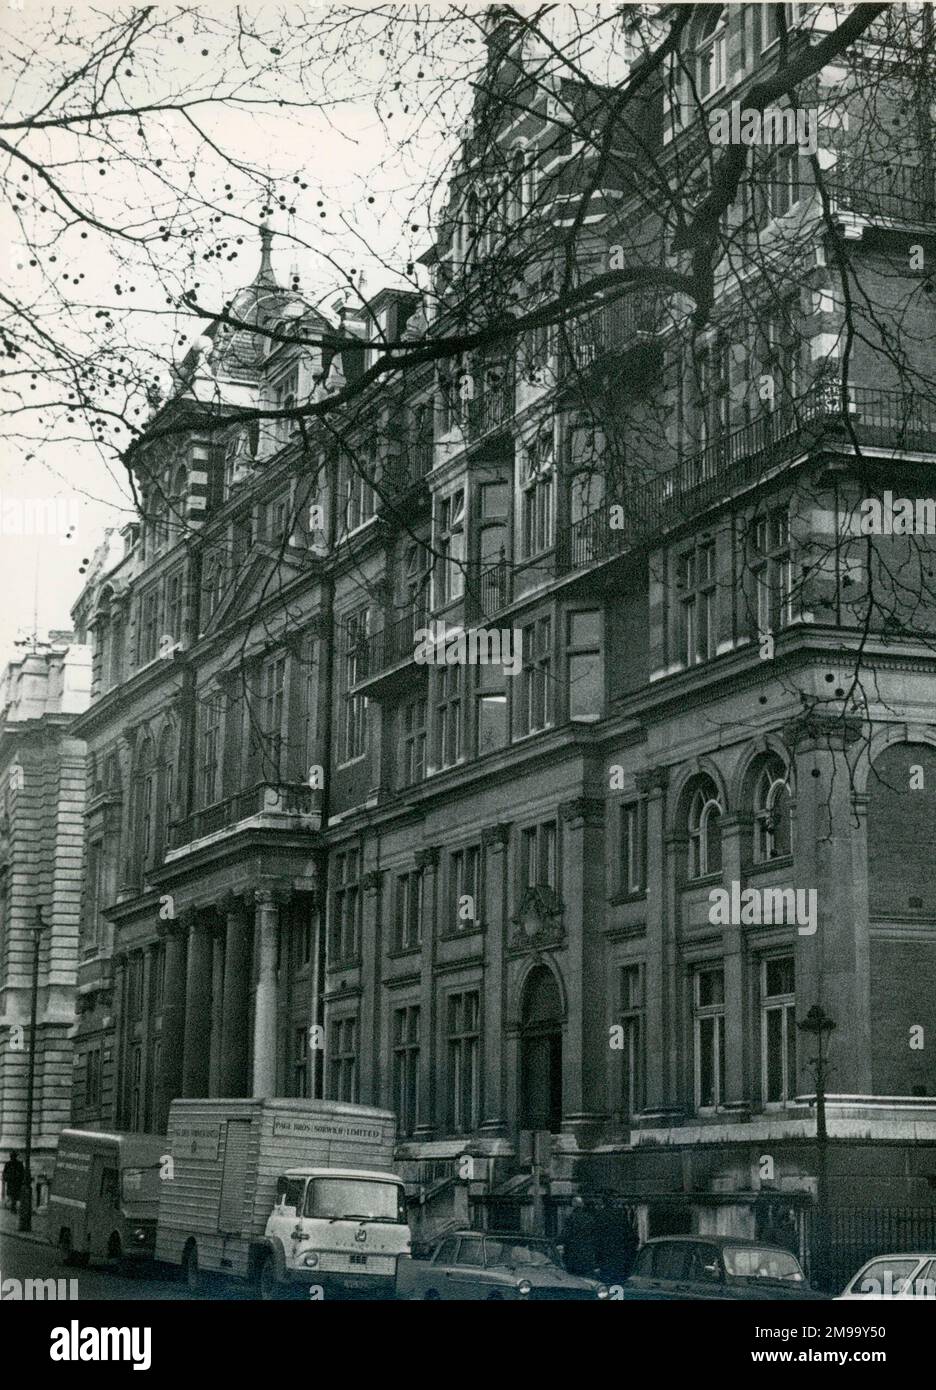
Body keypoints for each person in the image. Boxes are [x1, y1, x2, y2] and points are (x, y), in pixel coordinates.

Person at [561, 1195, 599, 1278]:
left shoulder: (571, 1218)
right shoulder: (590, 1218)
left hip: (573, 1255)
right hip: (587, 1255)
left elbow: (565, 1236)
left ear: (573, 1206)